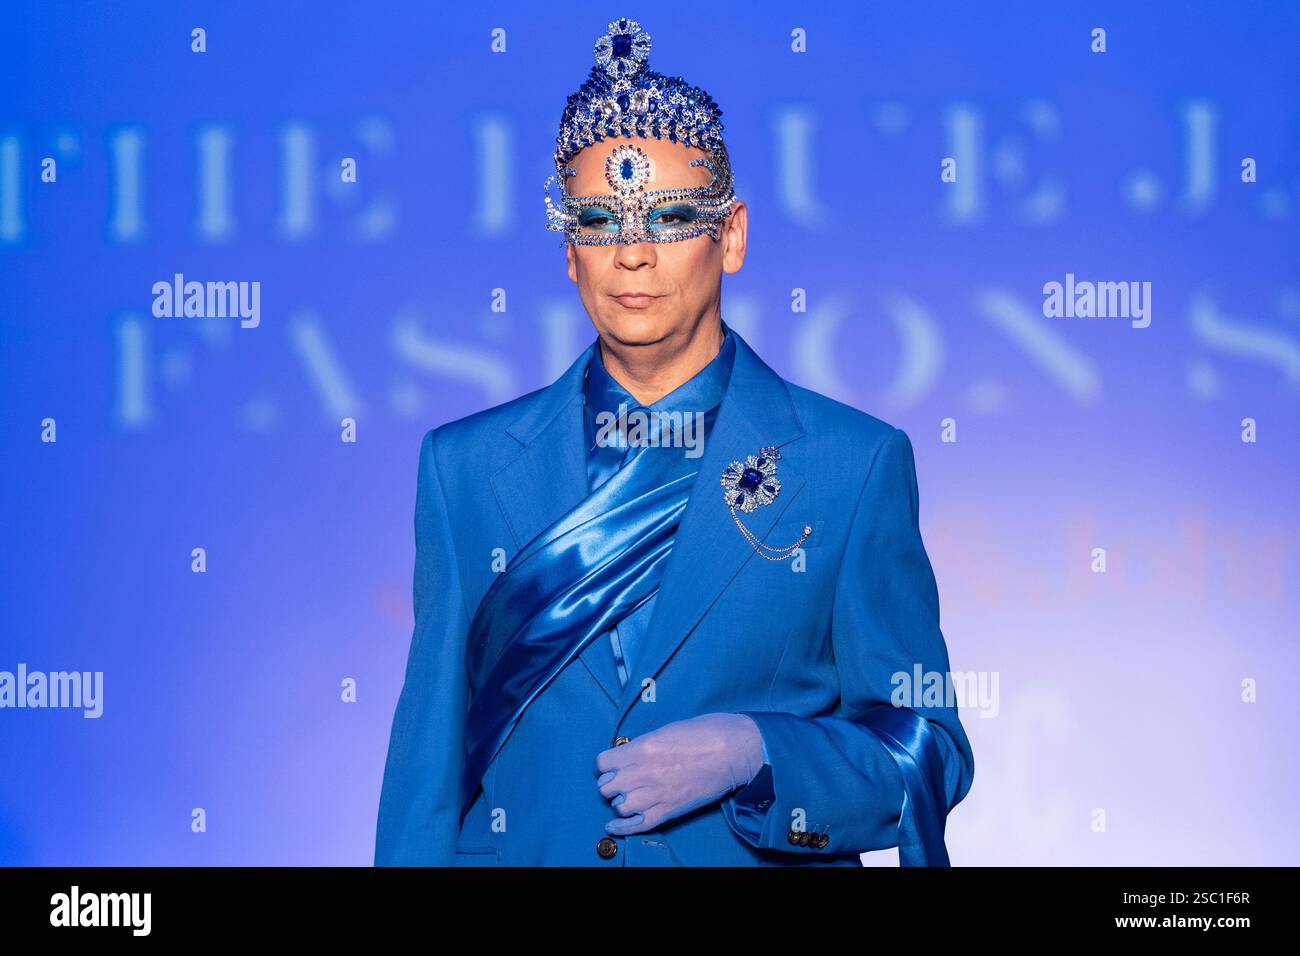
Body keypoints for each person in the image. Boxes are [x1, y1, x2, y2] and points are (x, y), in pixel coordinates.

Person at [375, 16, 973, 867]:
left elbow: (927, 747)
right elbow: (425, 778)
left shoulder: (852, 464)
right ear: (568, 253)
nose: (631, 254)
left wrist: (758, 751)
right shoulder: (464, 469)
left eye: (670, 217)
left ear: (730, 236)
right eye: (596, 219)